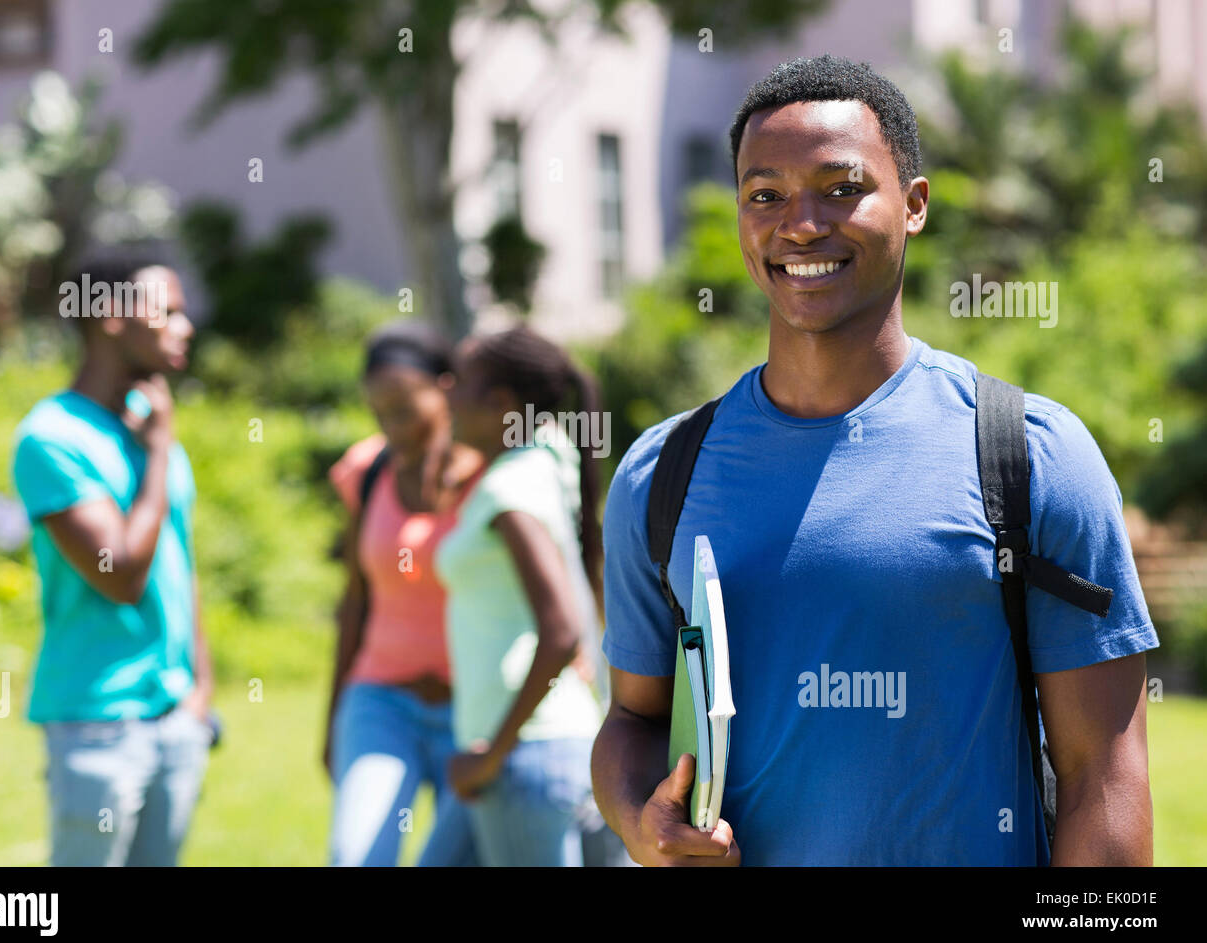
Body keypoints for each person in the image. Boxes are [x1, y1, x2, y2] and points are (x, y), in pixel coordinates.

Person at [593, 55, 1159, 866]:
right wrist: (639, 821)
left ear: (914, 205)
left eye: (841, 186)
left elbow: (1102, 772)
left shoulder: (1028, 457)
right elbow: (632, 720)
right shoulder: (661, 476)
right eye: (766, 195)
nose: (801, 223)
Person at [12, 258, 214, 866]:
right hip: (98, 722)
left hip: (174, 717)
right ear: (110, 317)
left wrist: (199, 693)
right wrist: (156, 455)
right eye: (168, 311)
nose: (185, 327)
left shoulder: (150, 430)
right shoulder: (52, 438)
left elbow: (180, 562)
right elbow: (121, 573)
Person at [437, 326, 628, 867]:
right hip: (551, 746)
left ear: (500, 402)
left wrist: (491, 755)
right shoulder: (543, 459)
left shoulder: (510, 491)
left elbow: (561, 631)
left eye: (462, 382)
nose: (446, 390)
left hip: (519, 753)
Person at [323, 321, 485, 867]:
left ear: (444, 386)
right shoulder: (365, 471)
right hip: (381, 700)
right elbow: (355, 598)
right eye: (377, 410)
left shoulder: (489, 474)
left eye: (402, 405)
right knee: (357, 855)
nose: (389, 424)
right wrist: (332, 715)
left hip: (472, 711)